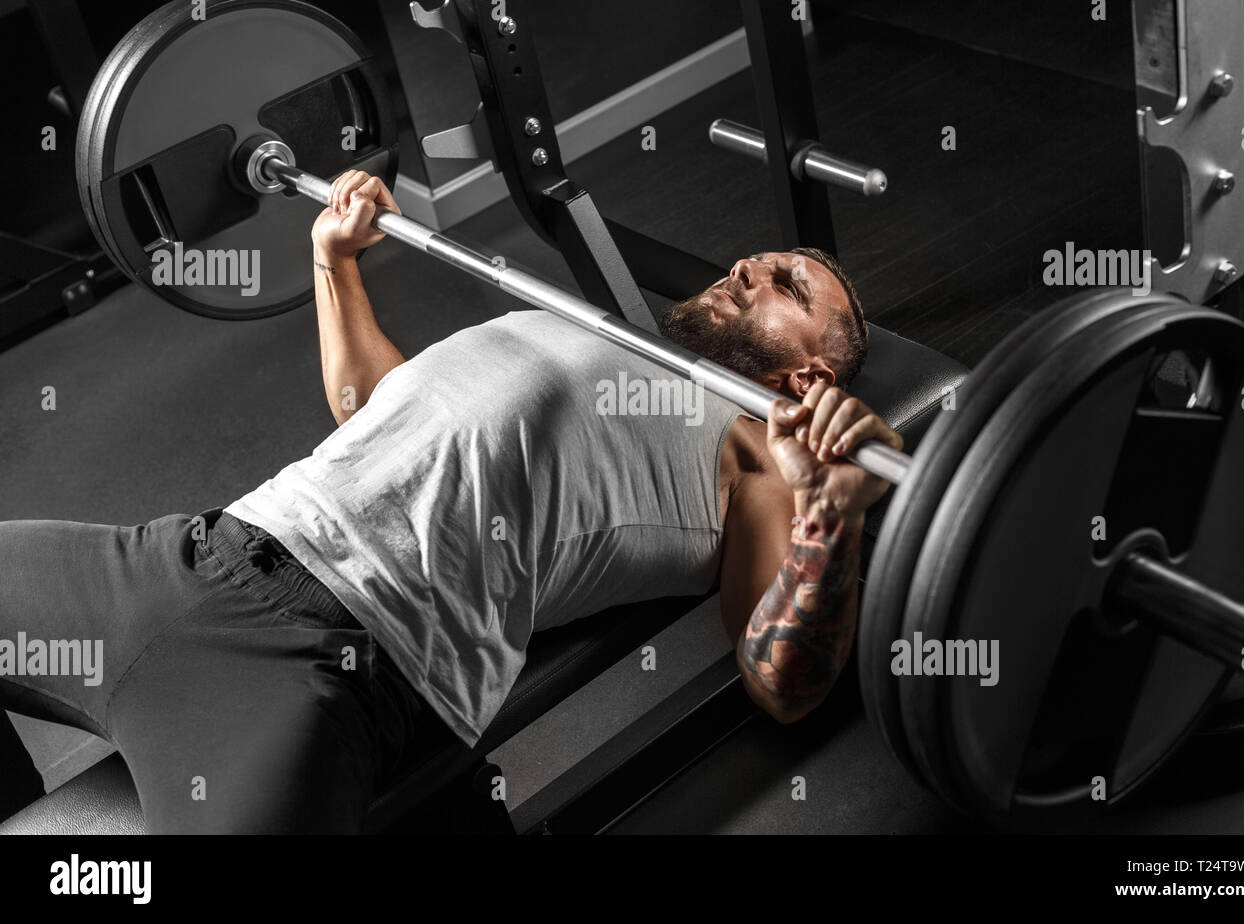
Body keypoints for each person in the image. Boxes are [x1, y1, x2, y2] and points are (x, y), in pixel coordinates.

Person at [0, 171, 901, 832]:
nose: (749, 265)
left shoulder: (764, 449)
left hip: (333, 667)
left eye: (788, 285)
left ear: (810, 372)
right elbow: (369, 412)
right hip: (190, 557)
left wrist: (829, 515)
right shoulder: (581, 324)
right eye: (764, 257)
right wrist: (334, 260)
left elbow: (783, 686)